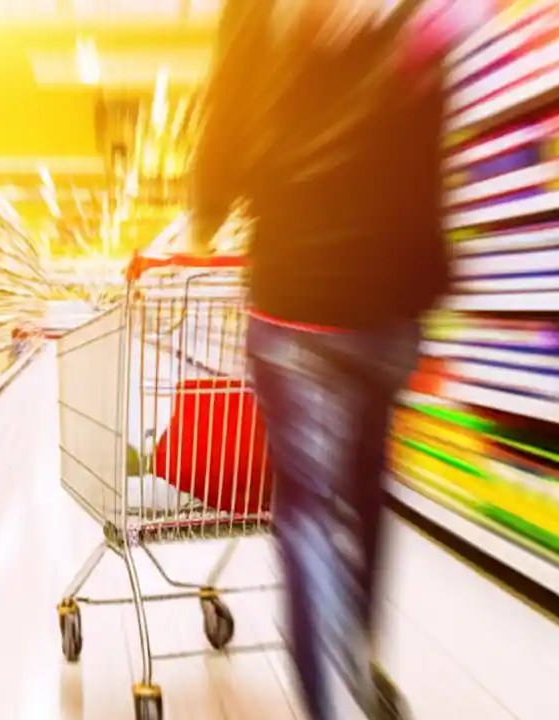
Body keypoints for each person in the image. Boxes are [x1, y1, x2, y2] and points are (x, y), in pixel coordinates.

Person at [188, 1, 490, 718]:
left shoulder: (256, 14)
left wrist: (205, 213)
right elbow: (434, 131)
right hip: (389, 304)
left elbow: (224, 124)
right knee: (368, 490)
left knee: (303, 511)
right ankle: (357, 652)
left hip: (293, 294)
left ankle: (324, 701)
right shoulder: (419, 13)